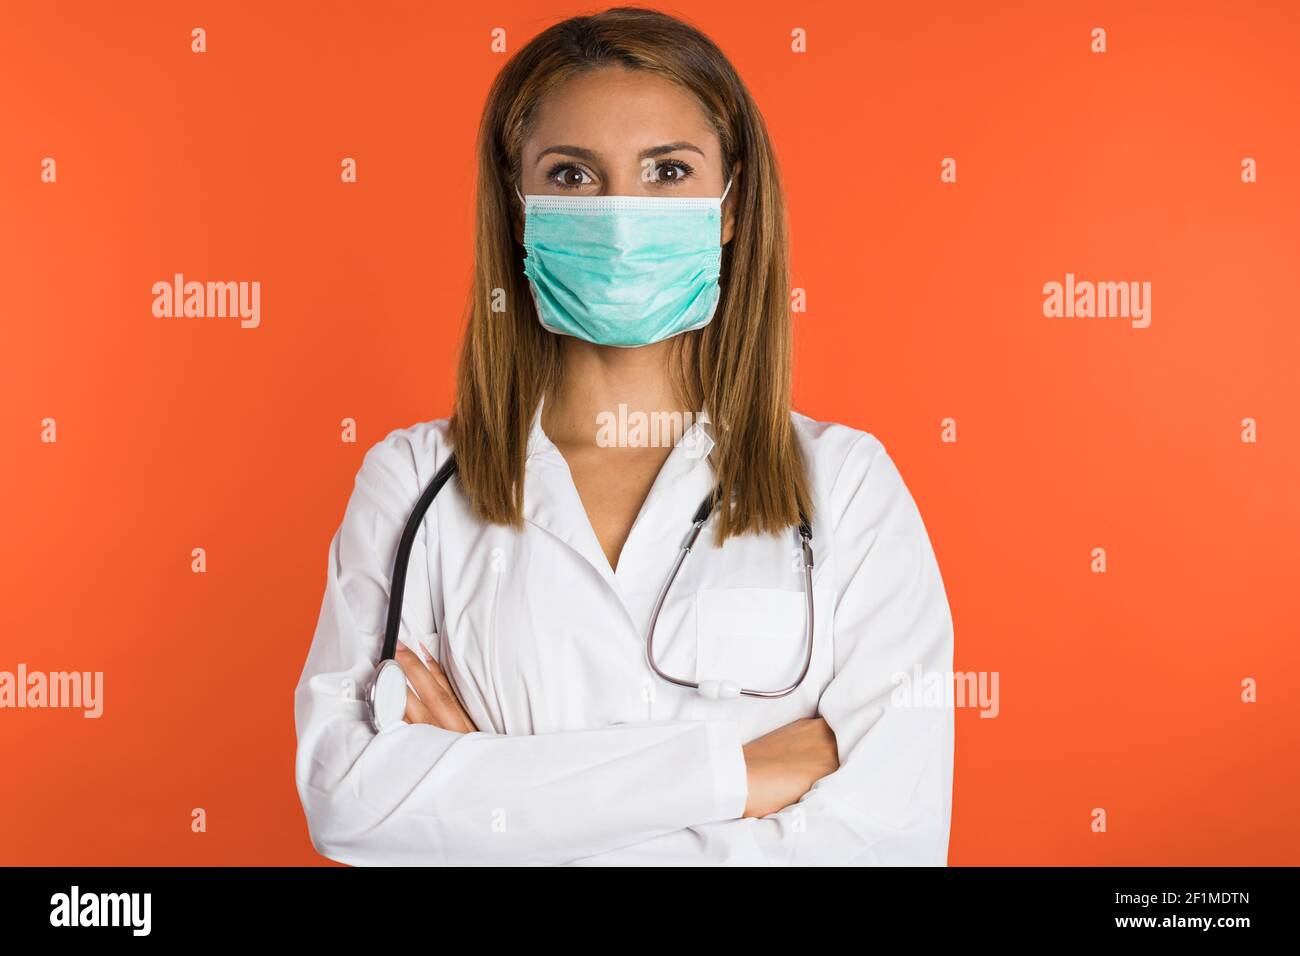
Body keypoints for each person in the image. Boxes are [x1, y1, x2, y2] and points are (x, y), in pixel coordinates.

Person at [293, 6, 954, 866]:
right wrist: (732, 776)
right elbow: (349, 803)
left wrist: (491, 797)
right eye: (571, 177)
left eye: (668, 171)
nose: (618, 214)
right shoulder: (414, 482)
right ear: (519, 203)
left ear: (728, 205)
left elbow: (887, 843)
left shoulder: (849, 488)